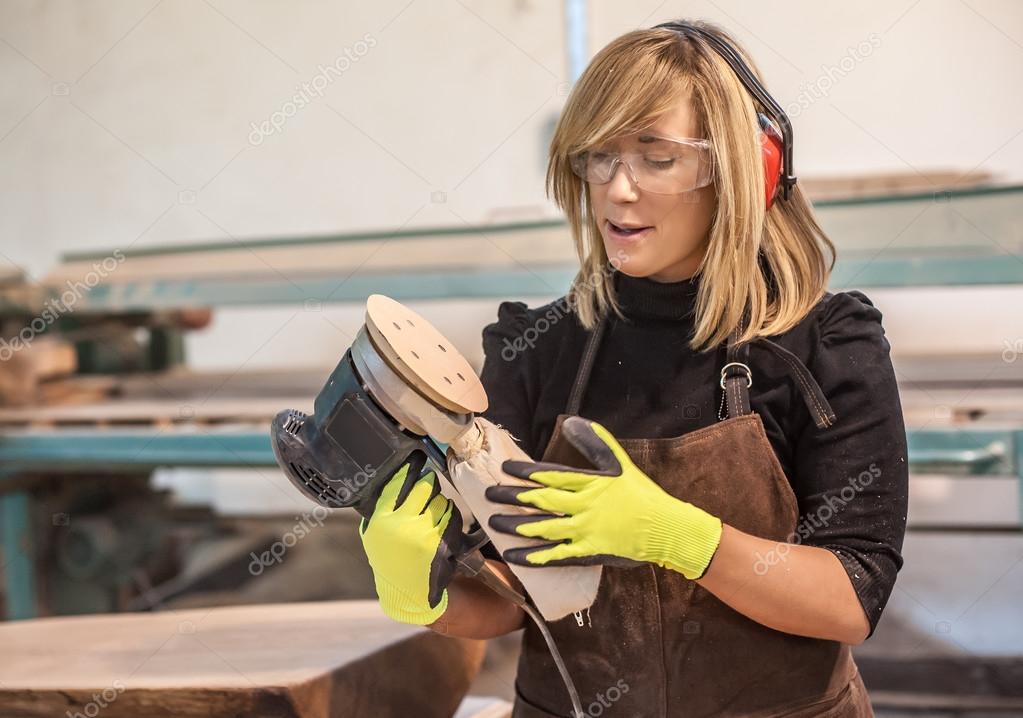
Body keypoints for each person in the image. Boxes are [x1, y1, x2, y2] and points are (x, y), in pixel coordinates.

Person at [358, 18, 908, 718]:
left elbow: (850, 599)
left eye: (656, 157)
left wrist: (679, 537)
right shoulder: (540, 346)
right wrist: (425, 595)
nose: (617, 190)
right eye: (600, 156)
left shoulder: (823, 344)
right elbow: (512, 603)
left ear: (742, 168)